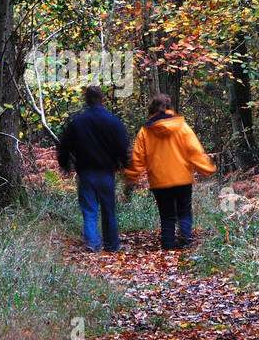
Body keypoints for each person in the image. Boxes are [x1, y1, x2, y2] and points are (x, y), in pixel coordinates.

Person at [124, 93, 216, 250]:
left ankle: (168, 249)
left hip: (159, 181)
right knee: (184, 211)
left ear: (152, 109)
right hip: (182, 178)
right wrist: (207, 168)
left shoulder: (145, 131)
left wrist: (131, 174)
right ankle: (185, 241)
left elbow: (137, 157)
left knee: (167, 216)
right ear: (169, 107)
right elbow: (194, 150)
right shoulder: (182, 127)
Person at [57, 85, 130, 252]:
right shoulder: (112, 121)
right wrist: (125, 166)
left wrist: (65, 164)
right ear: (102, 99)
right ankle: (112, 245)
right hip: (106, 172)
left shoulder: (77, 122)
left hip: (86, 171)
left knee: (89, 209)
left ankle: (93, 243)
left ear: (86, 99)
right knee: (108, 209)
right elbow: (122, 145)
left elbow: (65, 145)